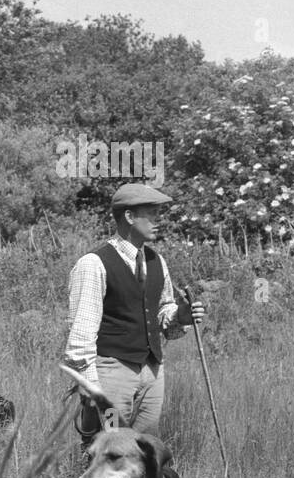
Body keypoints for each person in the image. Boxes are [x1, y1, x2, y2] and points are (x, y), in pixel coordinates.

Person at [64, 182, 207, 443]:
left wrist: (181, 317)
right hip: (110, 375)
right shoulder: (93, 264)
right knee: (106, 447)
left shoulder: (156, 260)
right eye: (151, 213)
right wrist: (91, 387)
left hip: (151, 373)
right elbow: (81, 334)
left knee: (144, 449)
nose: (158, 220)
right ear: (129, 217)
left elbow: (164, 313)